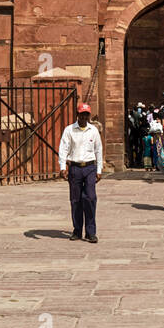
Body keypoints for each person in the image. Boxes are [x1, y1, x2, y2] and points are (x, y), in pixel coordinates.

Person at [57, 102, 103, 242]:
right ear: (77, 115)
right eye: (82, 114)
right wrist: (62, 167)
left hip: (89, 167)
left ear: (89, 116)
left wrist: (99, 169)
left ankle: (90, 232)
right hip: (75, 168)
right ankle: (77, 230)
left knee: (90, 198)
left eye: (86, 115)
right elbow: (63, 149)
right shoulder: (69, 130)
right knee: (76, 200)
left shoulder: (93, 130)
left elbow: (98, 150)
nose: (84, 117)